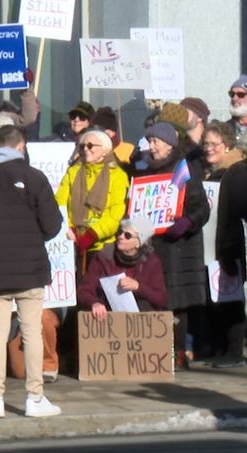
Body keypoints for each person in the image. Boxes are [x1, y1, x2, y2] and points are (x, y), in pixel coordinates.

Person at [0, 125, 63, 418]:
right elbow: (53, 225)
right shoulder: (33, 177)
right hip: (30, 267)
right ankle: (35, 397)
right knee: (31, 332)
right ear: (20, 147)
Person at [140, 121, 210, 369]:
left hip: (179, 249)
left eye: (155, 141)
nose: (151, 146)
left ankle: (178, 356)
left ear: (169, 144)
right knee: (154, 298)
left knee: (177, 304)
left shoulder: (184, 169)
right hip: (153, 246)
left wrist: (187, 221)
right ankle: (156, 355)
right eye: (149, 141)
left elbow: (201, 207)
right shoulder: (146, 171)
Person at [202, 121, 247, 367]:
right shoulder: (211, 172)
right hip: (212, 246)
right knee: (217, 301)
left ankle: (235, 351)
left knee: (231, 301)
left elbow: (238, 215)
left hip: (229, 246)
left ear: (227, 144)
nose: (209, 149)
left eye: (214, 144)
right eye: (206, 144)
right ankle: (221, 348)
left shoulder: (237, 172)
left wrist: (230, 250)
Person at [55, 129, 129, 265]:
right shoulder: (73, 172)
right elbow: (60, 203)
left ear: (105, 150)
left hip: (103, 246)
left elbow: (115, 213)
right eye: (82, 146)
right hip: (72, 241)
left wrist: (90, 234)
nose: (85, 149)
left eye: (90, 146)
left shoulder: (118, 176)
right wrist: (70, 229)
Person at [78, 216, 168, 317]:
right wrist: (94, 303)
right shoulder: (103, 257)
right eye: (120, 232)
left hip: (141, 320)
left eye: (127, 235)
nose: (121, 236)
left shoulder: (151, 262)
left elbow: (161, 299)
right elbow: (84, 290)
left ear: (139, 243)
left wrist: (138, 287)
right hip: (108, 318)